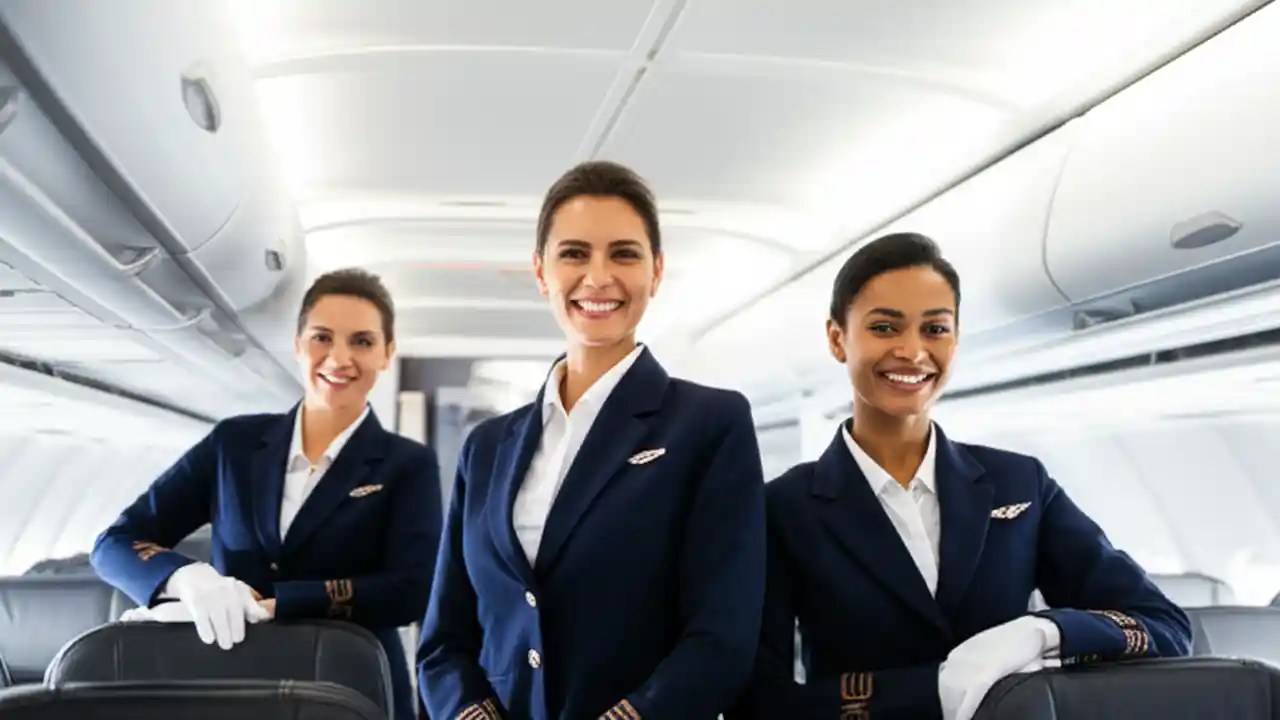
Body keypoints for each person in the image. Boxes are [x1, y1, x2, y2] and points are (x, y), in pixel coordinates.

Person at [729, 232, 1191, 720]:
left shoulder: (1019, 484)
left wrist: (1041, 634)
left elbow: (1162, 627)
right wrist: (938, 689)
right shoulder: (783, 508)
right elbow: (759, 699)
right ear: (838, 339)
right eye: (884, 328)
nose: (912, 351)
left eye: (935, 329)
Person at [418, 160, 766, 720]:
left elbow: (722, 636)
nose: (598, 277)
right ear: (540, 271)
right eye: (574, 253)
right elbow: (443, 641)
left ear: (656, 272)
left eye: (624, 254)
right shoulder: (486, 448)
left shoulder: (708, 423)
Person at [91, 268, 442, 720]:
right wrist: (189, 582)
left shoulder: (406, 463)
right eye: (322, 338)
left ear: (387, 353)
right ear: (297, 345)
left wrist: (281, 605)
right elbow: (114, 542)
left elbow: (413, 589)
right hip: (236, 679)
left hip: (352, 686)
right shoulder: (234, 445)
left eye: (362, 341)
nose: (339, 359)